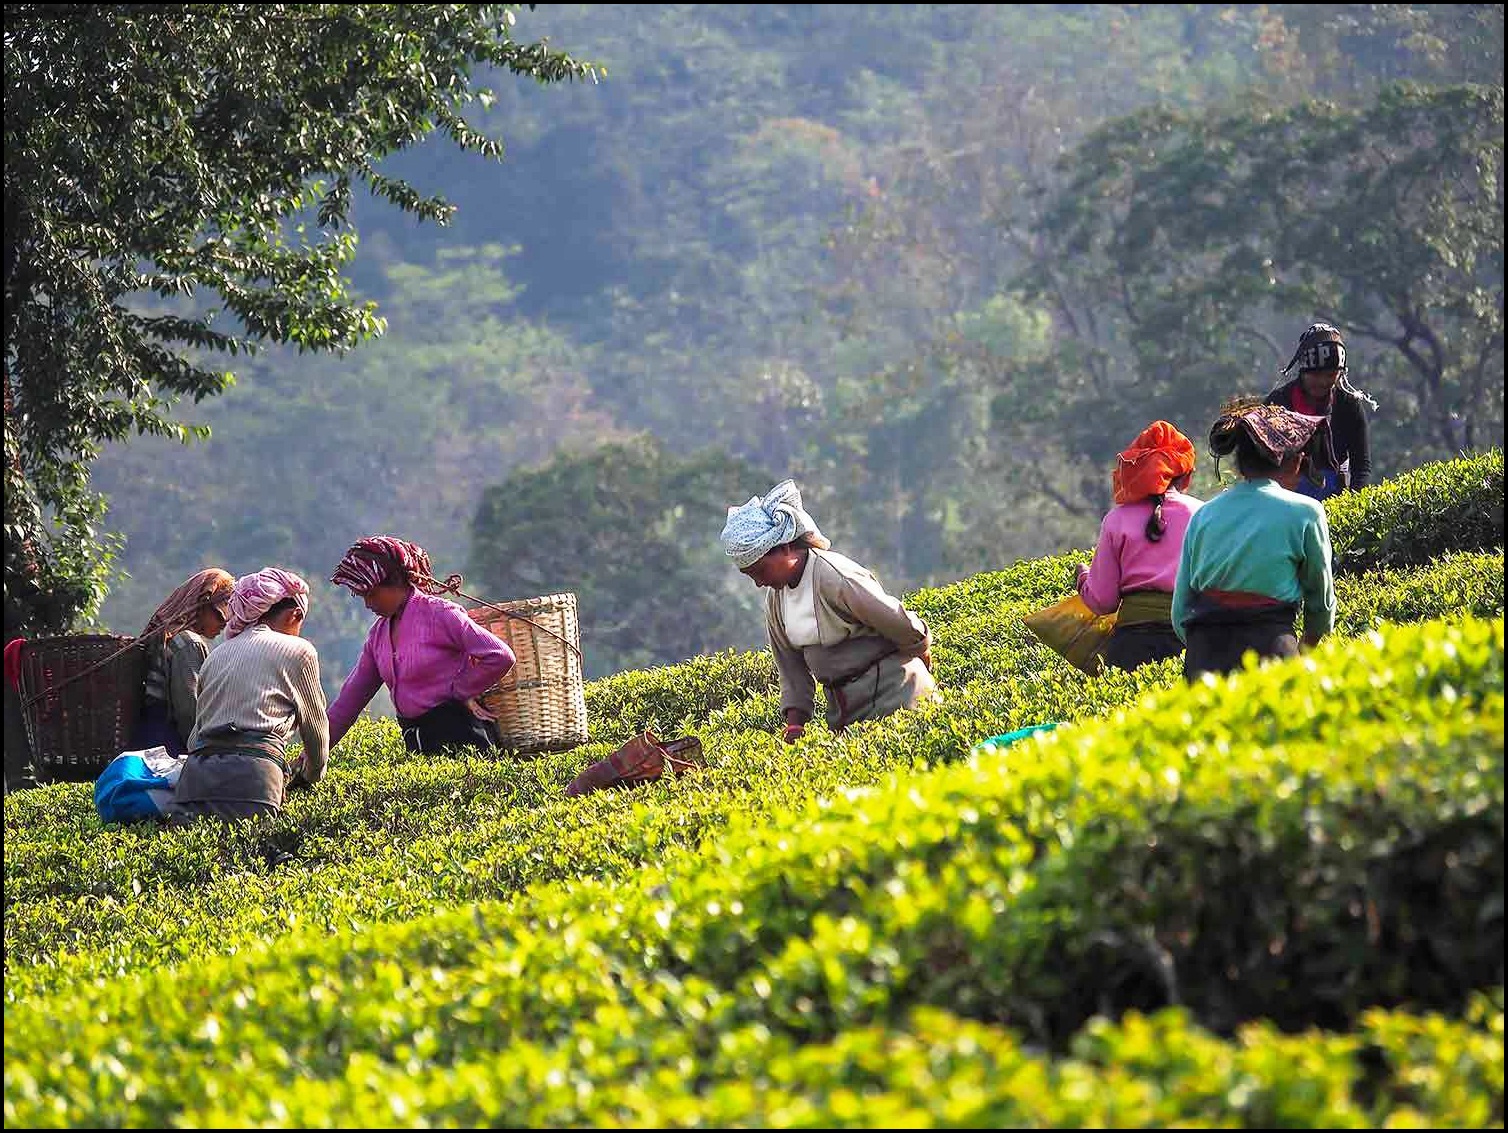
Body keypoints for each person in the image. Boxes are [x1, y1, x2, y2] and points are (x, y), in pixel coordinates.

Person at [720, 479, 938, 742]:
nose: (758, 582)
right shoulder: (775, 601)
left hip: (899, 698)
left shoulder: (835, 577)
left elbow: (899, 623)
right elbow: (791, 669)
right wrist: (794, 726)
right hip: (845, 714)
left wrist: (922, 653)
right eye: (750, 575)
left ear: (785, 547)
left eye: (761, 571)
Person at [1172, 400, 1337, 681]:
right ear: (1294, 460)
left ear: (1239, 466)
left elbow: (1179, 613)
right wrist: (1304, 652)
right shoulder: (1306, 513)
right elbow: (1320, 606)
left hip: (1205, 660)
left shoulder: (1203, 515)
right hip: (1272, 651)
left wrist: (1210, 648)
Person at [165, 567, 329, 822]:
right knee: (253, 857)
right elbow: (316, 733)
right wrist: (310, 776)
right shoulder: (300, 651)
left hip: (195, 783)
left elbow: (195, 737)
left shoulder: (216, 655)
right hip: (254, 779)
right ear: (295, 615)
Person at [326, 536, 516, 753]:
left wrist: (458, 691)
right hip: (419, 744)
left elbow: (499, 655)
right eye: (363, 597)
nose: (368, 604)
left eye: (373, 594)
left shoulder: (441, 614)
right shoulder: (378, 636)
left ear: (397, 581)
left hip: (462, 738)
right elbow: (350, 700)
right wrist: (312, 754)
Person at [1076, 421, 1204, 671]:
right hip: (1190, 641)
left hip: (1131, 647)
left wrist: (1083, 579)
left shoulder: (1116, 520)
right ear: (1185, 474)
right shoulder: (1201, 514)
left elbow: (1103, 601)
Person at [1266, 322, 1376, 501]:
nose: (1324, 382)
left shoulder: (1349, 406)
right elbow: (1260, 464)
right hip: (1284, 501)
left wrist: (1354, 505)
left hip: (1336, 499)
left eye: (1331, 375)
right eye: (1316, 375)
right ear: (1303, 371)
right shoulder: (1278, 403)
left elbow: (1361, 467)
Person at [133, 567, 235, 756]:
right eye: (219, 614)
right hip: (169, 744)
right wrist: (204, 752)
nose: (224, 623)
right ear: (200, 605)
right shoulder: (188, 643)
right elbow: (188, 711)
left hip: (147, 740)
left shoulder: (166, 637)